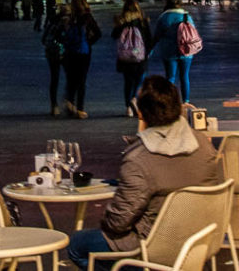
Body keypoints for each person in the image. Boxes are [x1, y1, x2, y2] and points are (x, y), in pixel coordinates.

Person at [66, 76, 223, 268]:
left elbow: (118, 221)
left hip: (154, 245)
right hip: (200, 239)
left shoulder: (140, 158)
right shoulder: (203, 146)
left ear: (142, 112)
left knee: (77, 245)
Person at [62, 0, 102, 118]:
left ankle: (70, 102)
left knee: (71, 79)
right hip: (83, 53)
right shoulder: (87, 17)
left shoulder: (70, 18)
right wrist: (89, 42)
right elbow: (98, 33)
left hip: (69, 52)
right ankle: (80, 109)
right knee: (81, 80)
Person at [112, 0, 153, 117]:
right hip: (140, 56)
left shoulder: (121, 22)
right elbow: (149, 39)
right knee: (140, 79)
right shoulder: (142, 22)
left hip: (125, 57)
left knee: (128, 82)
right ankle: (134, 98)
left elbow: (114, 35)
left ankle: (128, 108)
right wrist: (148, 52)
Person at [151, 0, 196, 103]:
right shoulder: (186, 16)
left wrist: (150, 49)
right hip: (186, 51)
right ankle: (186, 101)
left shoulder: (164, 17)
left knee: (170, 77)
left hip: (169, 51)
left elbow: (157, 35)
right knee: (184, 76)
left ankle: (170, 101)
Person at [42, 2, 67, 116]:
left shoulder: (52, 23)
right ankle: (69, 102)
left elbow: (43, 39)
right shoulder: (67, 23)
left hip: (52, 53)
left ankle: (54, 105)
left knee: (54, 79)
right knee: (71, 79)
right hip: (66, 53)